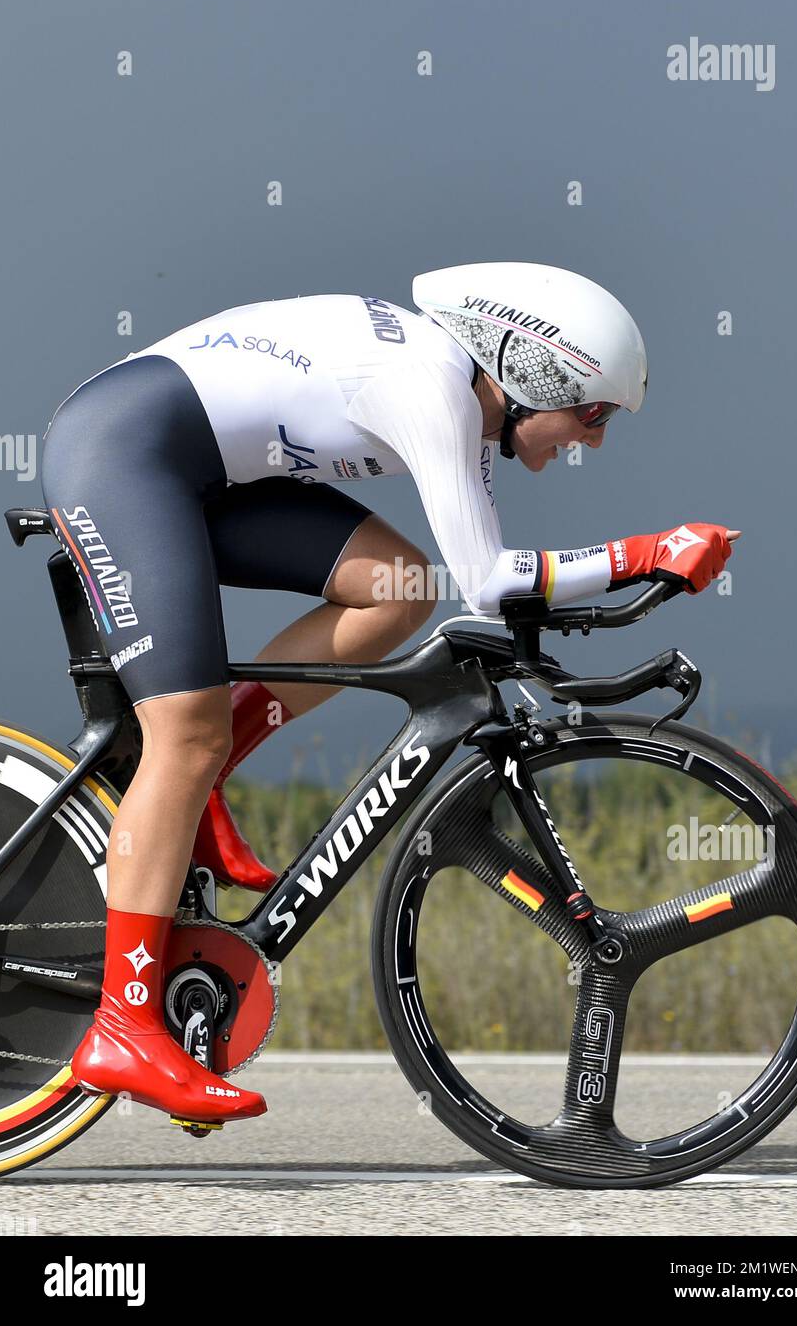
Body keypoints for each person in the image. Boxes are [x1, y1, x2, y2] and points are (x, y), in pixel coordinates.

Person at [40, 261, 737, 1123]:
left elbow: (465, 579)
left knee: (398, 587)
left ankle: (198, 782)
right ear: (530, 373)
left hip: (196, 466)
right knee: (184, 735)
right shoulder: (430, 391)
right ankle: (123, 1025)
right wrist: (643, 551)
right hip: (123, 454)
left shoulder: (463, 402)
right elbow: (488, 582)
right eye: (591, 414)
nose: (592, 440)